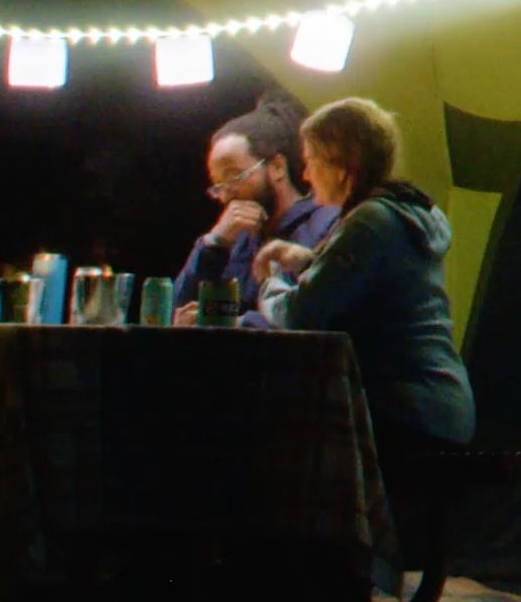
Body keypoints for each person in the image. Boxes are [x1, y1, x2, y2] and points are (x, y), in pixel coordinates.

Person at [253, 98, 472, 450]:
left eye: (311, 160)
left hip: (402, 410)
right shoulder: (406, 212)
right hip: (440, 406)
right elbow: (376, 284)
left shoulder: (369, 221)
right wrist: (310, 262)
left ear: (342, 165)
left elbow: (300, 314)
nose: (305, 175)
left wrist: (269, 283)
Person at [174, 92, 336, 323]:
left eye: (234, 176)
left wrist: (231, 323)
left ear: (277, 167)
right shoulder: (238, 240)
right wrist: (213, 246)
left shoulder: (327, 224)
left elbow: (308, 313)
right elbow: (178, 308)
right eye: (218, 185)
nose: (225, 195)